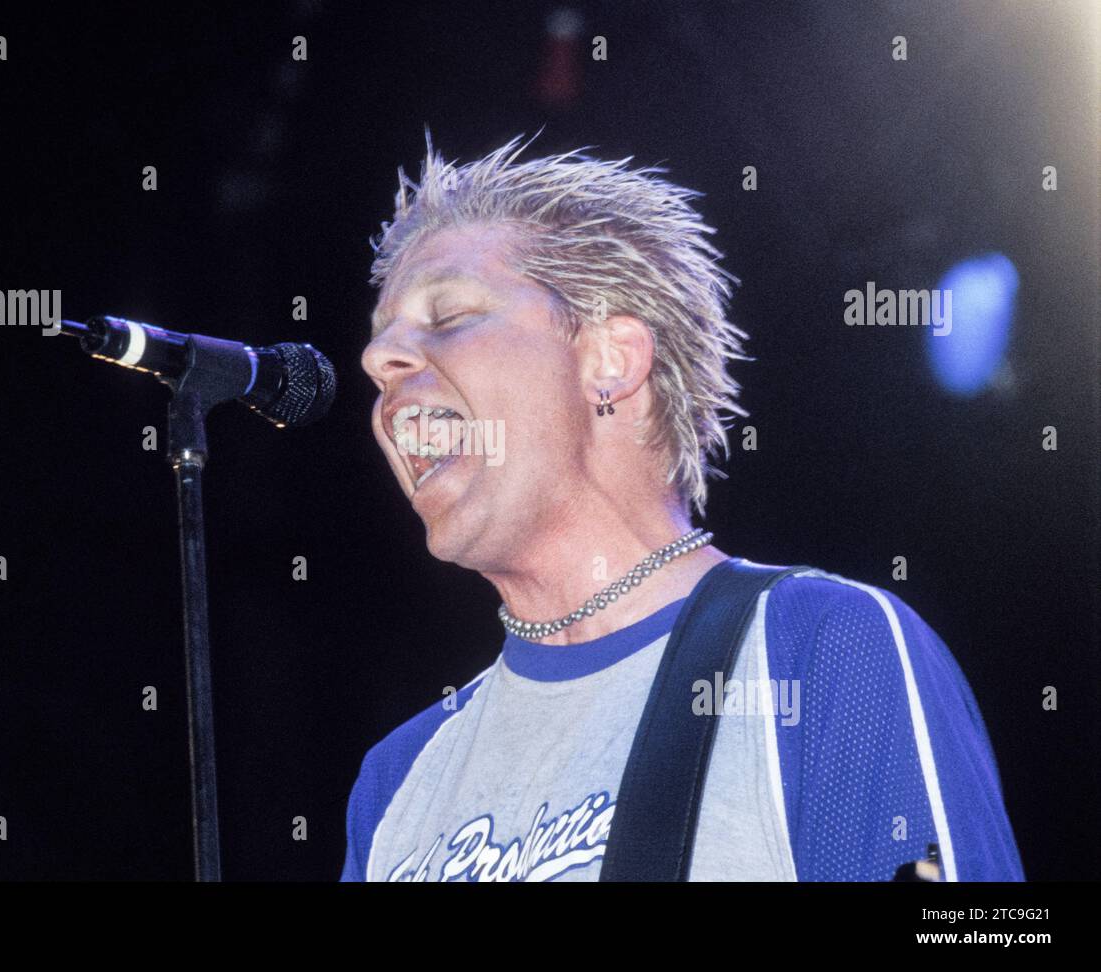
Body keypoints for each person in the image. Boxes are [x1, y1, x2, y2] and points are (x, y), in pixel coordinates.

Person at [340, 130, 1024, 882]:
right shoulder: (396, 781)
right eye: (380, 345)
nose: (381, 361)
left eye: (448, 318)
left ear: (610, 361)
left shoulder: (819, 648)